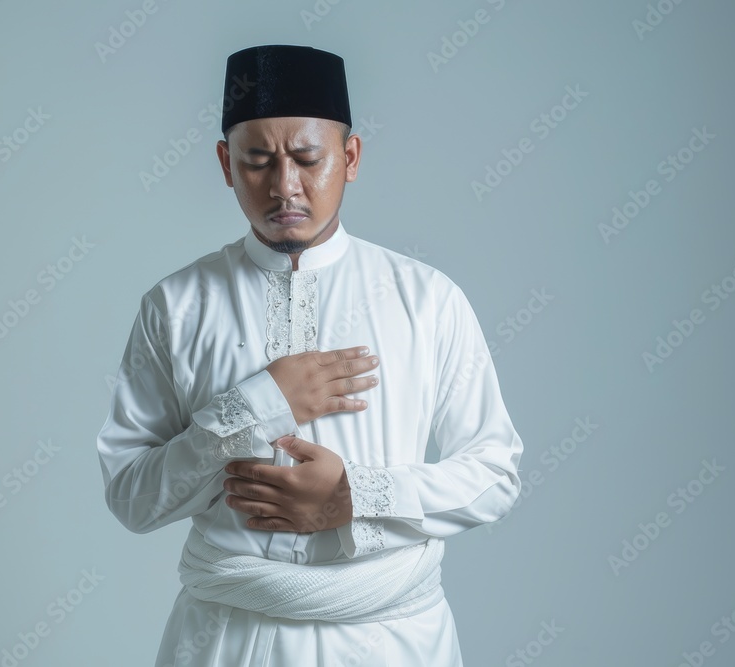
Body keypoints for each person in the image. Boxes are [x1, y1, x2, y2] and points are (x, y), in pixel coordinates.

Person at [96, 44, 524, 667]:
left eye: (307, 158)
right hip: (225, 639)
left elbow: (495, 473)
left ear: (349, 158)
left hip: (391, 643)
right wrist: (253, 407)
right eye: (258, 161)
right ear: (225, 163)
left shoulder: (427, 299)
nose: (284, 187)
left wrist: (359, 495)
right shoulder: (176, 306)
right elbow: (133, 498)